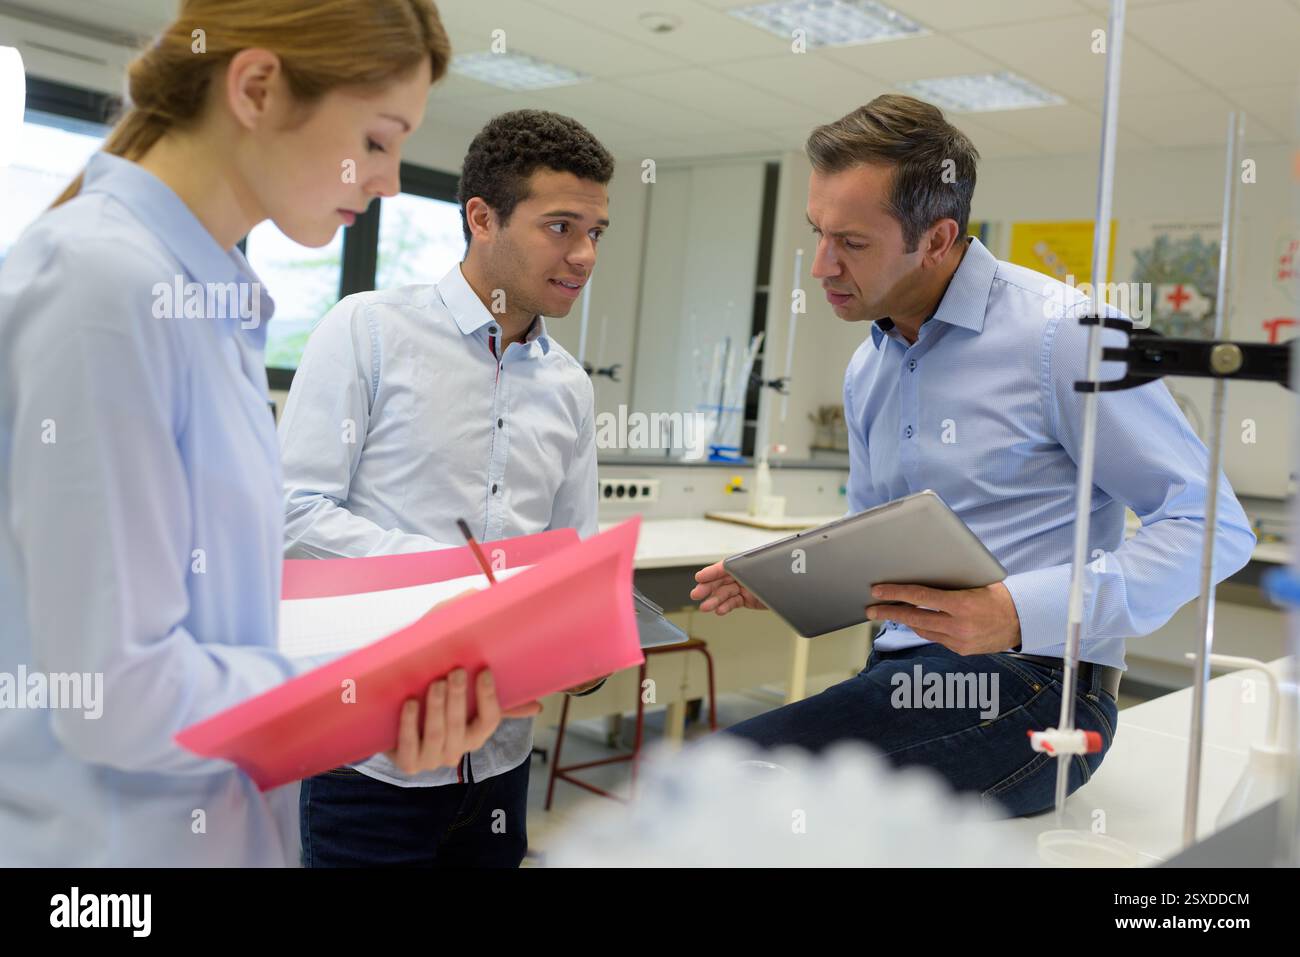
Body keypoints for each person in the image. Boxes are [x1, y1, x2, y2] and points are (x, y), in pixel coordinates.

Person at [0, 0, 534, 867]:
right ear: (255, 87)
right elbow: (112, 693)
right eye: (376, 139)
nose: (393, 179)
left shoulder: (207, 302)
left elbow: (214, 626)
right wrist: (376, 698)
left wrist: (409, 643)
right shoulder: (104, 288)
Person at [691, 95, 1256, 816]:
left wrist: (1016, 611)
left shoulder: (1071, 335)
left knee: (724, 782)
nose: (821, 266)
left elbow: (1213, 526)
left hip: (1041, 689)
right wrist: (797, 572)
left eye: (852, 243)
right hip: (907, 674)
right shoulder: (870, 369)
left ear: (937, 238)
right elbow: (881, 545)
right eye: (817, 234)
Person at [280, 109, 615, 867]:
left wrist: (587, 643)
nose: (585, 253)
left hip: (499, 765)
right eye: (561, 226)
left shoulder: (569, 386)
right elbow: (291, 514)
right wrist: (457, 585)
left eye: (597, 231)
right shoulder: (367, 331)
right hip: (371, 757)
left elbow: (574, 556)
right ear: (482, 217)